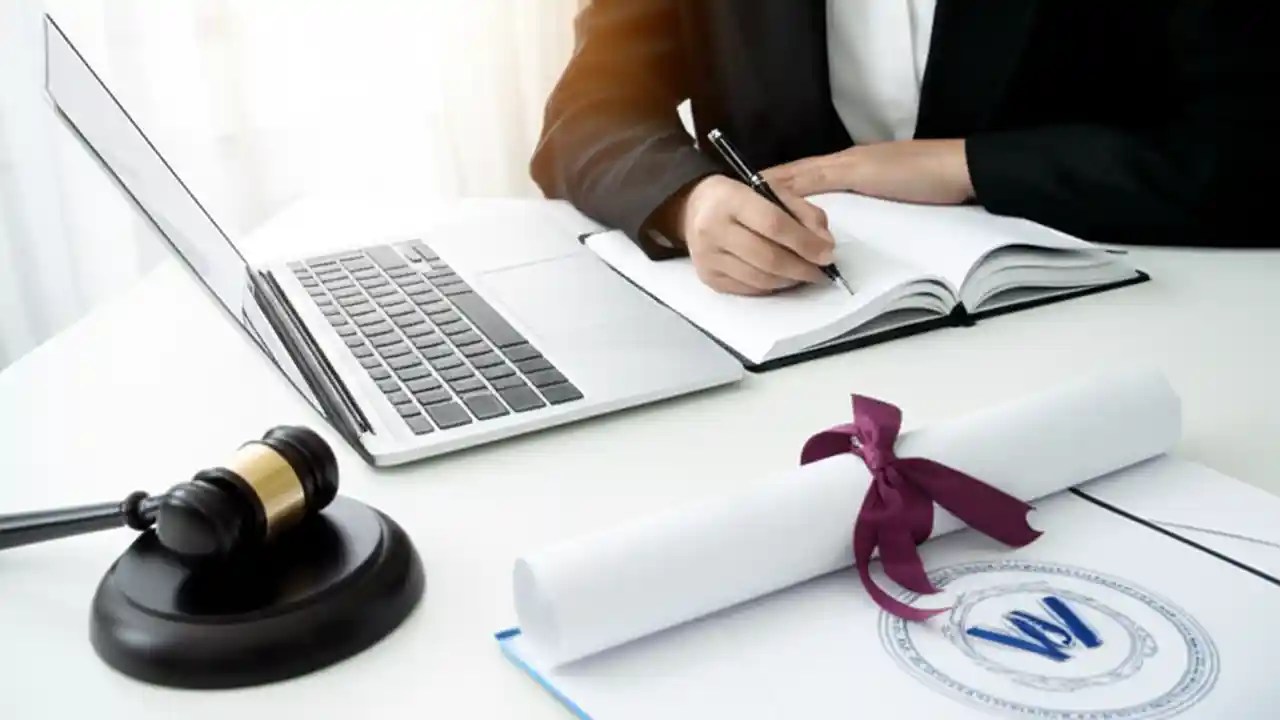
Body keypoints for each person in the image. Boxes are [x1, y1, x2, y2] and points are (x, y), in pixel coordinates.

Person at [530, 1, 1275, 295]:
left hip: (1105, 323)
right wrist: (691, 201)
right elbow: (588, 114)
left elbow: (1247, 152)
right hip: (790, 341)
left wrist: (966, 165)